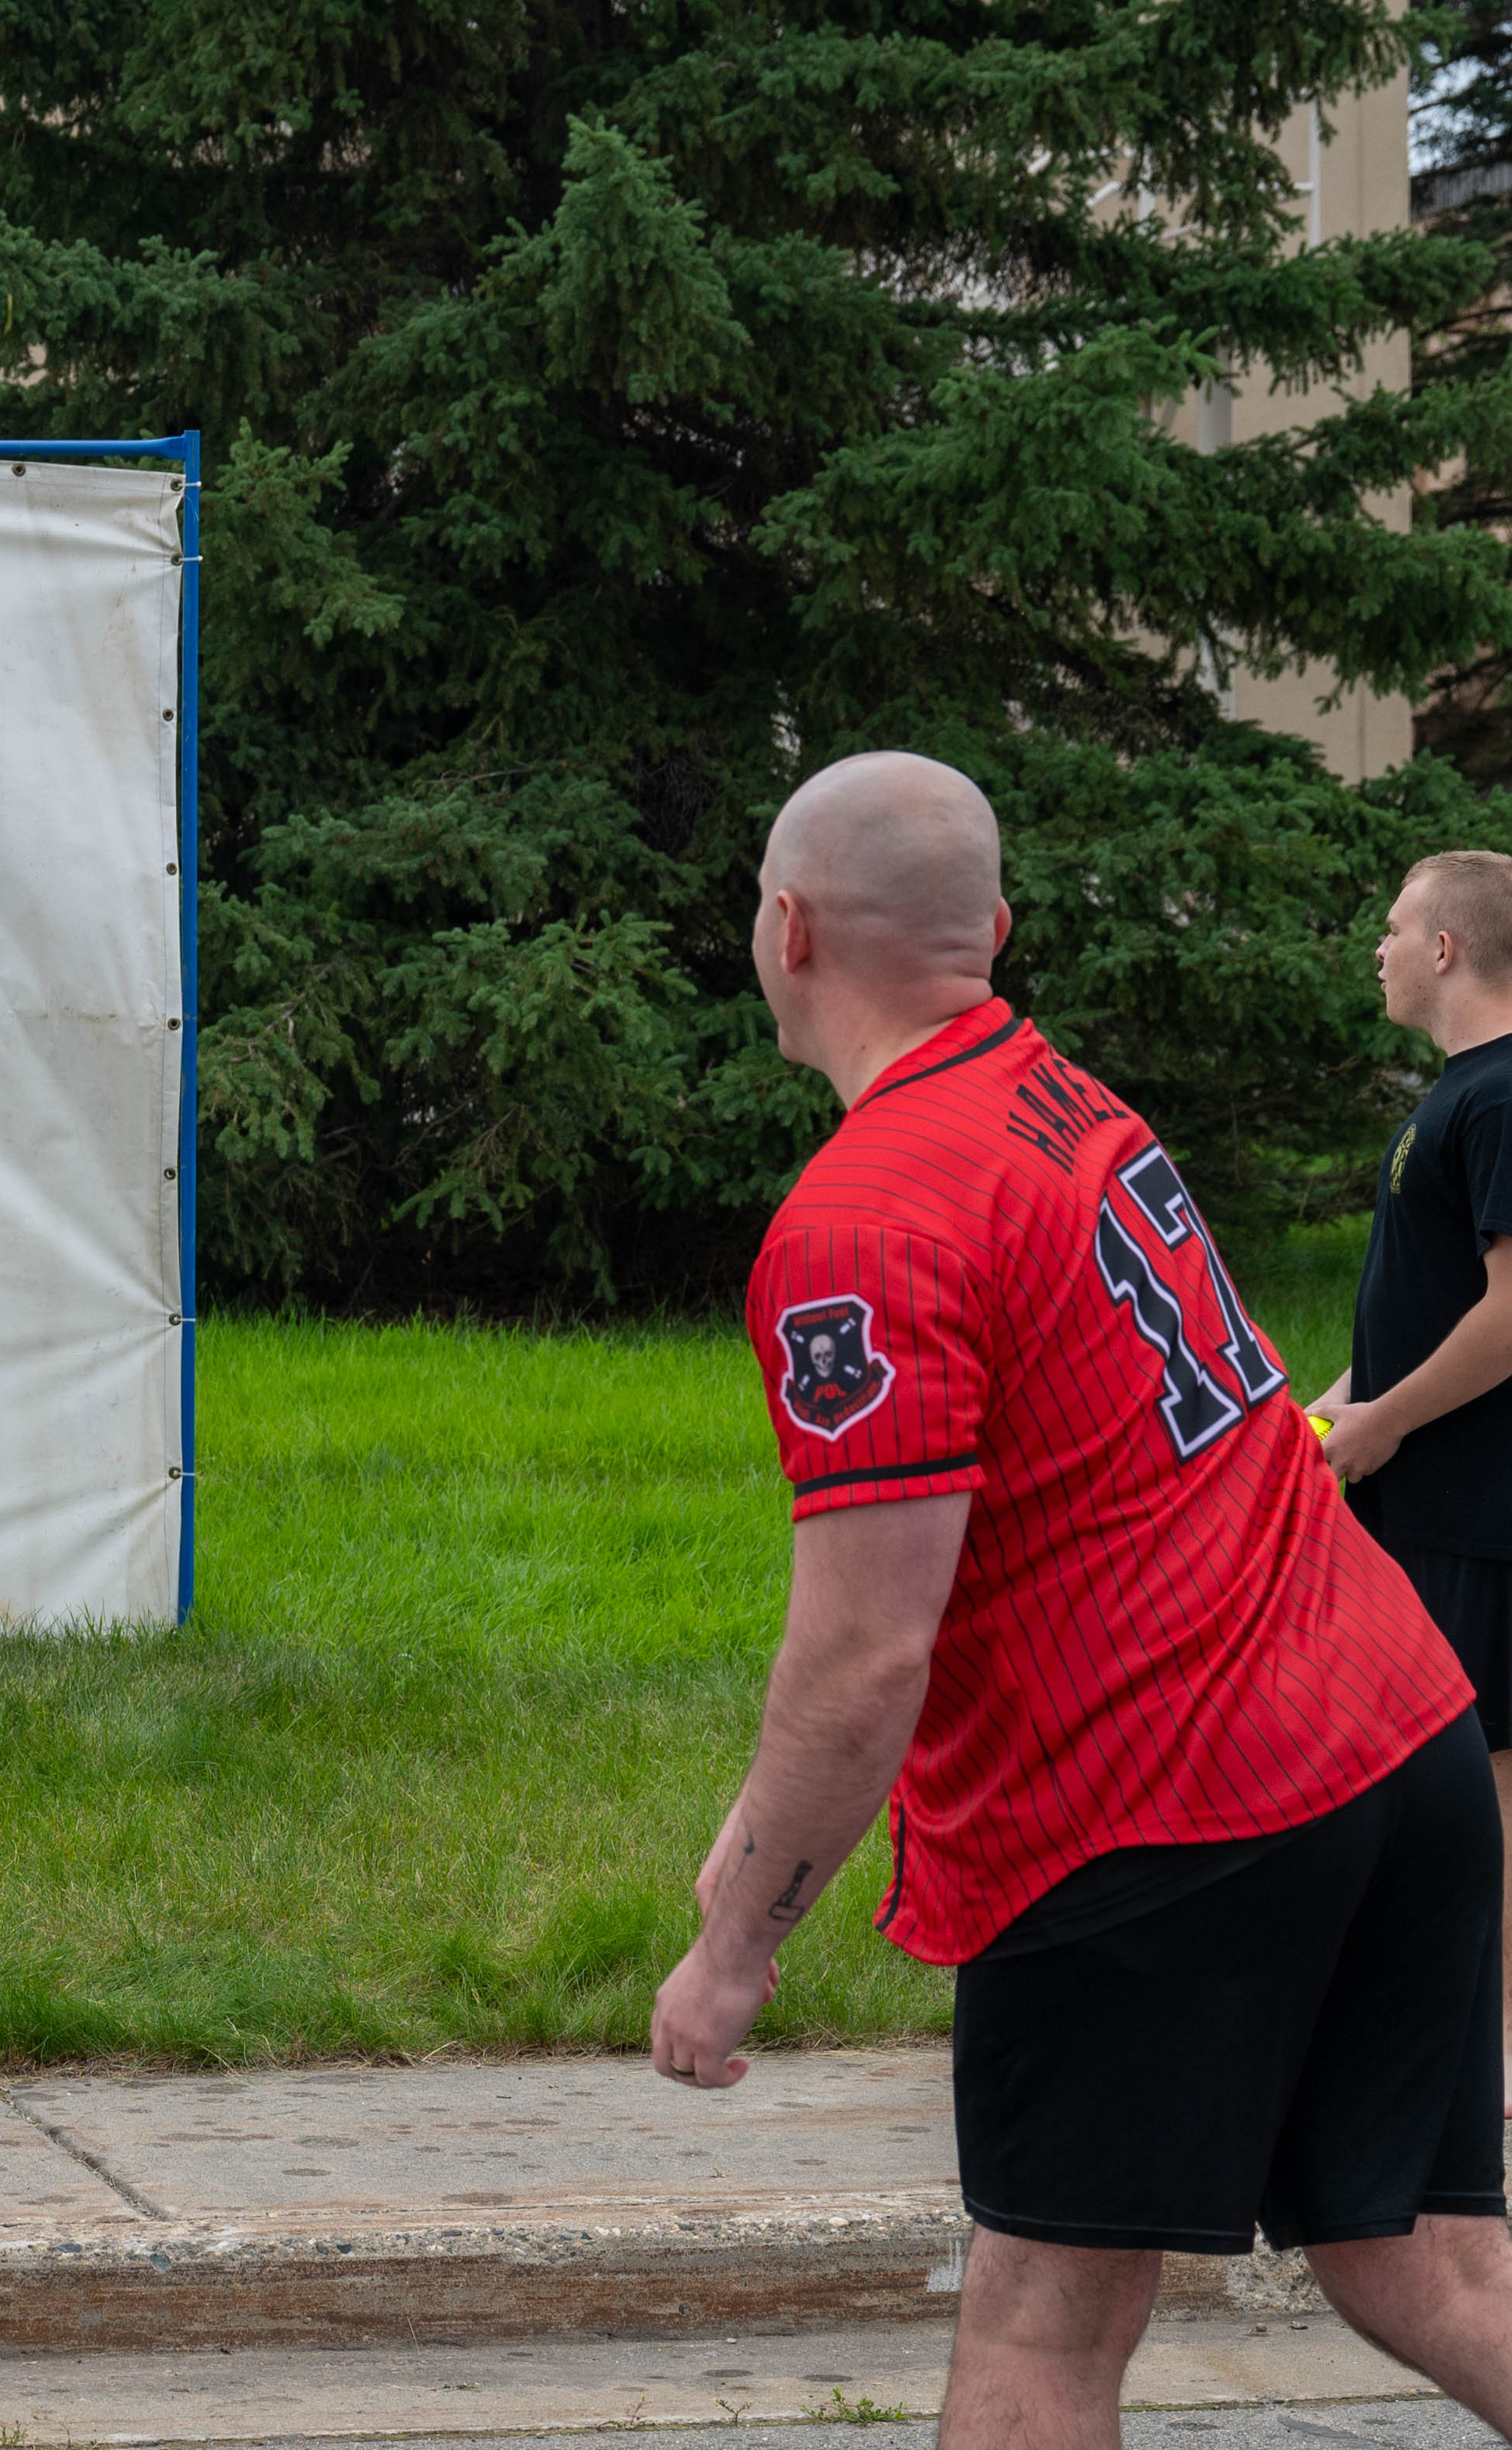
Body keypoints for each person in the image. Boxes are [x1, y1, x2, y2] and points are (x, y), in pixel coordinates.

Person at [650, 752, 1512, 2450]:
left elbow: (864, 1649)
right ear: (997, 932)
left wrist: (735, 1940)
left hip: (1162, 1805)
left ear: (785, 927)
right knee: (1433, 2265)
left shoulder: (866, 1220)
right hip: (1396, 1728)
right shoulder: (1064, 1096)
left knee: (1039, 2330)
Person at [1309, 850, 1512, 2100]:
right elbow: (1422, 1309)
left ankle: (1488, 2056)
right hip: (1421, 1506)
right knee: (1435, 1775)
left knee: (1487, 1783)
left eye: (1392, 928)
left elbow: (1511, 1313)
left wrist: (1382, 1421)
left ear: (1445, 948)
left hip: (1481, 1519)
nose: (1377, 948)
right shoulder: (1454, 1100)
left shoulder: (1501, 1098)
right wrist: (1318, 1419)